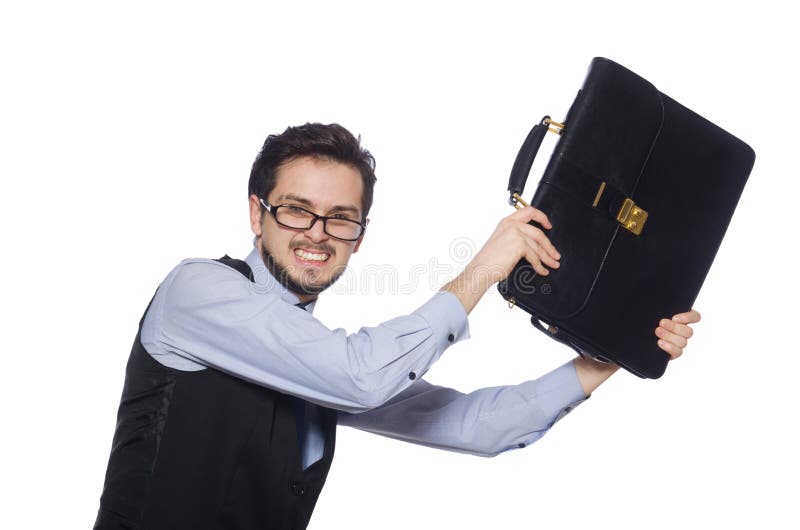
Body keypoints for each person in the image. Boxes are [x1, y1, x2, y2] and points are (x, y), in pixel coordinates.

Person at [94, 123, 700, 530]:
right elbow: (358, 376)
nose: (317, 234)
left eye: (341, 218)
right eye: (297, 210)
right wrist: (484, 270)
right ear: (258, 212)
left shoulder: (317, 362)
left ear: (359, 236)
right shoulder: (196, 291)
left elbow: (472, 425)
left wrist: (610, 353)